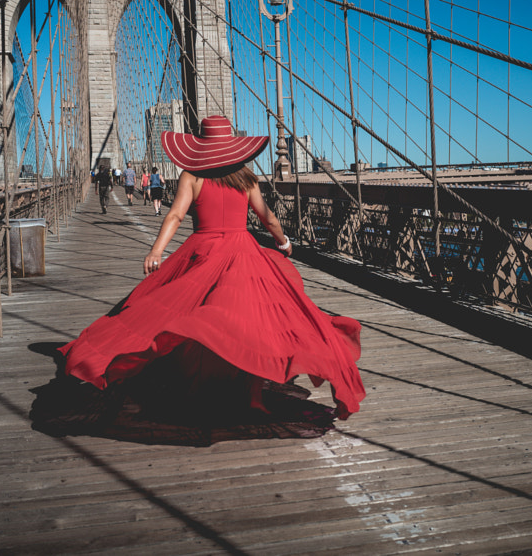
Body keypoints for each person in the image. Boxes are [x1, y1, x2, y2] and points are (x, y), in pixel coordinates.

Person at [58, 115, 365, 420]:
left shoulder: (192, 175)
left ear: (201, 146)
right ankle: (254, 398)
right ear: (231, 146)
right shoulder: (247, 178)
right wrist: (283, 242)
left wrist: (156, 251)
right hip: (244, 253)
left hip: (202, 252)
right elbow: (268, 217)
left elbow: (176, 215)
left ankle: (193, 386)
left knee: (187, 315)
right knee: (252, 323)